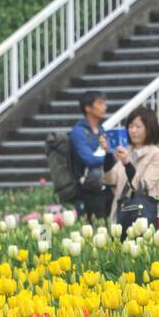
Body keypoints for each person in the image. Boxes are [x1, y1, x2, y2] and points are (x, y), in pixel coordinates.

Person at [101, 106, 159, 228]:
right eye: (130, 126)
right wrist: (108, 153)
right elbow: (109, 179)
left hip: (143, 218)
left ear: (149, 128)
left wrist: (127, 163)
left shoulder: (157, 155)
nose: (133, 131)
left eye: (138, 127)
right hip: (120, 216)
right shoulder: (128, 152)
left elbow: (142, 186)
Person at [69, 90, 113, 220]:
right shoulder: (78, 132)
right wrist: (109, 155)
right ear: (88, 108)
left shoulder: (101, 131)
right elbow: (90, 160)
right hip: (87, 190)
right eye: (100, 103)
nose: (104, 107)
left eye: (104, 103)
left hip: (104, 187)